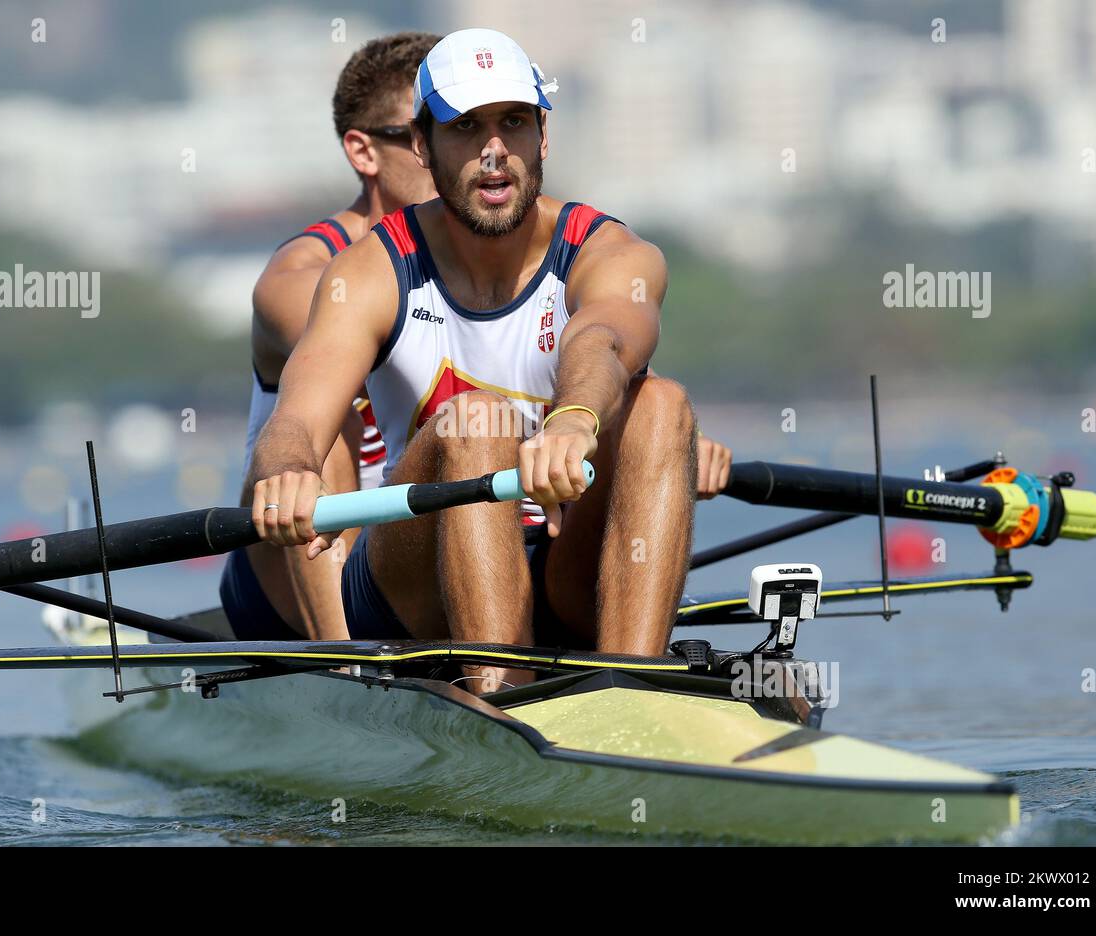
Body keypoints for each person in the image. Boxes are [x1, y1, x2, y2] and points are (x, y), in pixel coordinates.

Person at [249, 28, 733, 690]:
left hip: (562, 570)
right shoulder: (367, 273)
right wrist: (286, 470)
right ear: (423, 146)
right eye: (466, 127)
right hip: (411, 593)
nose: (494, 150)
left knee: (662, 405)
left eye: (513, 122)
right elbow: (297, 416)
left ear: (544, 135)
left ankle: (633, 687)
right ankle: (501, 694)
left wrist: (575, 420)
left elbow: (605, 340)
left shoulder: (615, 254)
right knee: (476, 420)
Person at [221, 32, 442, 641]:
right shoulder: (297, 279)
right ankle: (345, 664)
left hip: (413, 543)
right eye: (425, 132)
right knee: (328, 415)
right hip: (286, 573)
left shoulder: (494, 255)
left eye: (466, 126)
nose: (455, 150)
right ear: (363, 151)